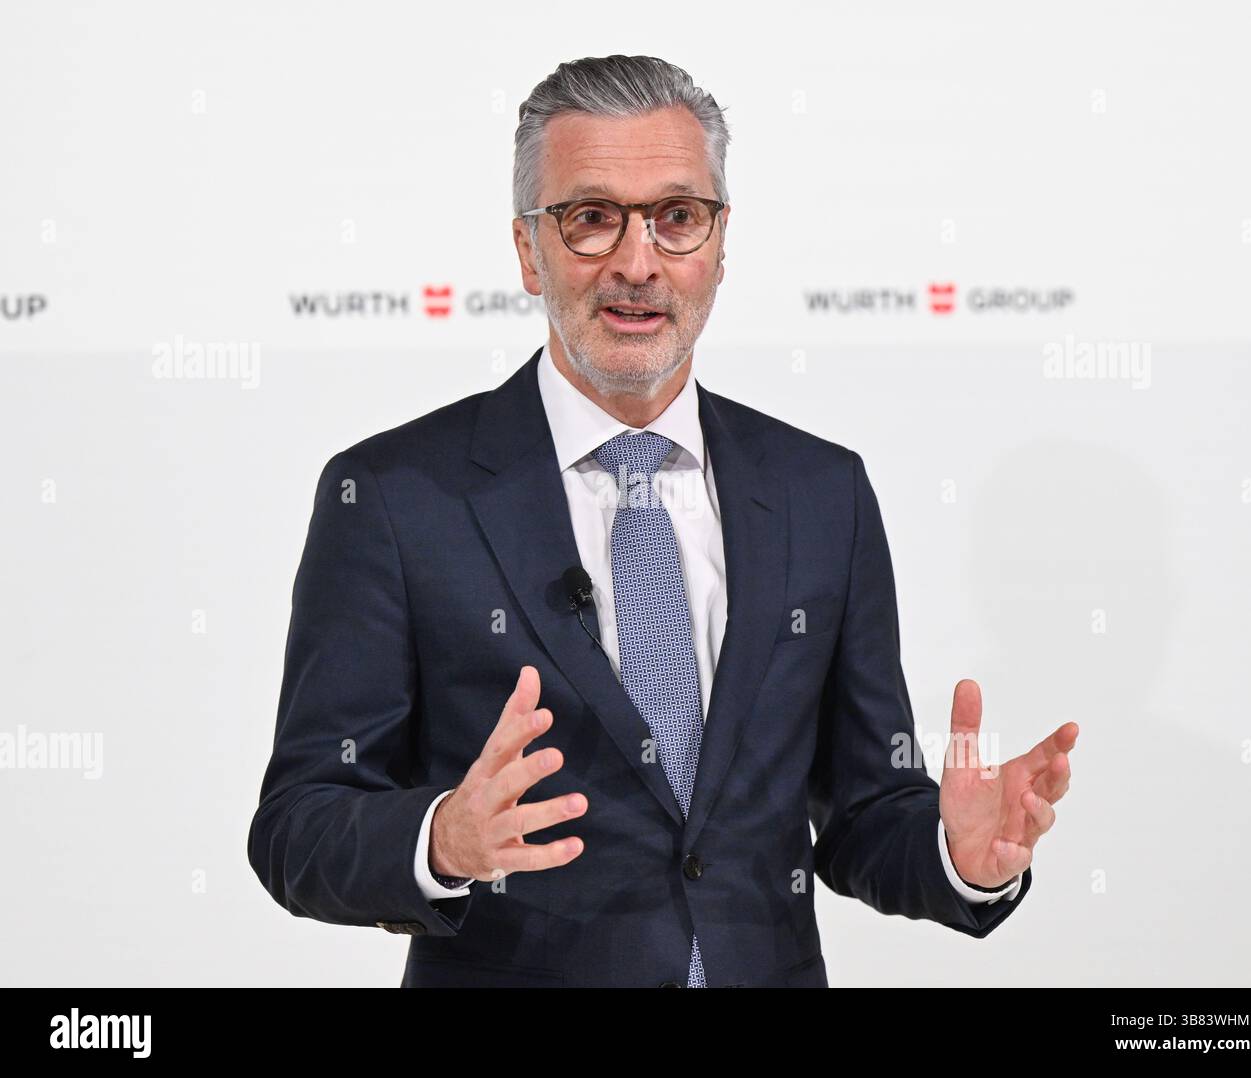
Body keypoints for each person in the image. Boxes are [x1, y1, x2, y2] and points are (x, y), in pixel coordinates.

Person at [247, 54, 1077, 988]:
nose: (638, 263)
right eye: (591, 218)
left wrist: (955, 855)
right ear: (528, 251)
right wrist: (441, 837)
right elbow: (297, 825)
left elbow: (859, 815)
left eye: (677, 218)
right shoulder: (396, 498)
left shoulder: (820, 492)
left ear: (720, 247)